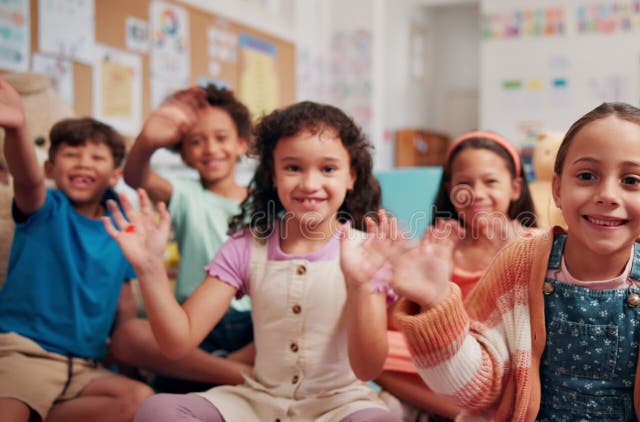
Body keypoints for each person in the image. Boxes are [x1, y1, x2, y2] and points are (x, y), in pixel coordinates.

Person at [379, 103, 640, 420]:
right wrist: (437, 302)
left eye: (631, 180)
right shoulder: (519, 266)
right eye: (587, 176)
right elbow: (476, 390)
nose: (607, 194)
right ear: (558, 188)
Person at [104, 101, 401, 421]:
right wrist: (150, 268)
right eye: (293, 168)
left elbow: (368, 367)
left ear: (351, 176)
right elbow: (177, 343)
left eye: (328, 169)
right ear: (273, 175)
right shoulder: (246, 246)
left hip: (340, 406)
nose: (310, 184)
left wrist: (358, 285)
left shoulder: (367, 251)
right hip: (259, 401)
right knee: (158, 410)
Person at [0, 78, 153, 422]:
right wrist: (16, 128)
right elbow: (26, 179)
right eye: (71, 154)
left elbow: (126, 307)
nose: (83, 163)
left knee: (141, 400)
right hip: (25, 355)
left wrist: (128, 367)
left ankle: (41, 409)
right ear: (51, 169)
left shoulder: (123, 228)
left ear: (115, 176)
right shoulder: (44, 208)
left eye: (96, 157)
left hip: (85, 369)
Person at [377, 130, 537, 420]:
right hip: (449, 359)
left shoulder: (532, 243)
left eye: (490, 181)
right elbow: (402, 325)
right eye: (464, 183)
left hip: (504, 362)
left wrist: (514, 259)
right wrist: (422, 285)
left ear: (514, 188)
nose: (476, 193)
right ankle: (460, 412)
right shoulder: (440, 247)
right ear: (450, 189)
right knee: (378, 350)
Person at [111, 84, 254, 392]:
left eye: (221, 137)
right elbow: (135, 178)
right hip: (190, 322)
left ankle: (208, 371)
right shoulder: (188, 195)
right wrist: (148, 142)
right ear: (184, 154)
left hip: (253, 328)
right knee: (128, 336)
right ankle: (239, 375)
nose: (211, 149)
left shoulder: (265, 200)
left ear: (241, 144)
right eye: (196, 141)